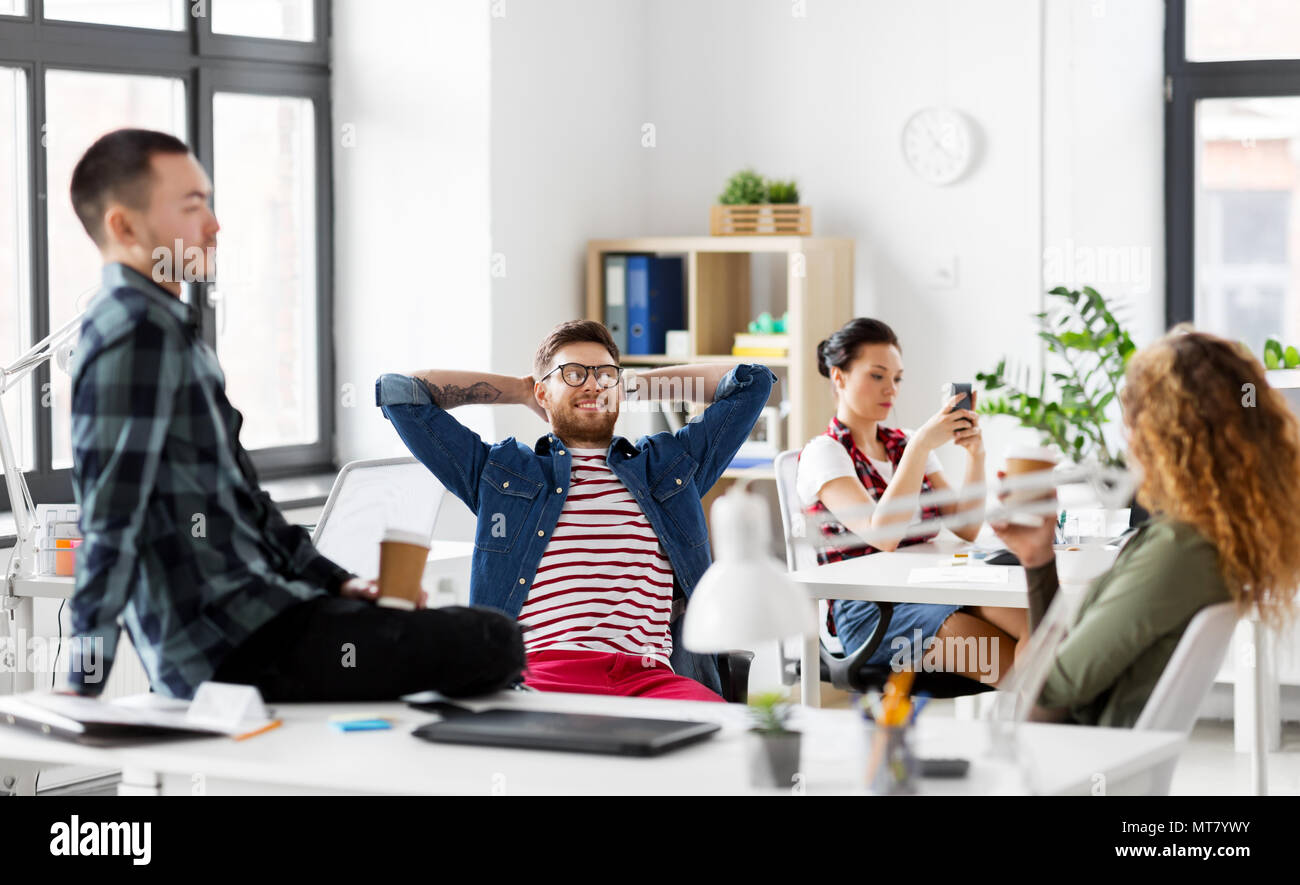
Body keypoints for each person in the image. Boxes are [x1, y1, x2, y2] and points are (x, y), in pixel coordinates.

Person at [66, 128, 523, 701]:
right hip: (229, 647)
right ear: (124, 226)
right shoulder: (133, 333)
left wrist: (340, 584)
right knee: (491, 640)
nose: (214, 223)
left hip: (265, 618)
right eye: (191, 205)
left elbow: (250, 509)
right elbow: (110, 523)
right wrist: (79, 690)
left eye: (208, 201)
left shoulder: (168, 330)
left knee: (478, 640)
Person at [376, 320, 777, 702]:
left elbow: (751, 383)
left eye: (604, 374)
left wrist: (628, 386)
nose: (591, 383)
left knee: (723, 749)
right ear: (543, 393)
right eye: (571, 373)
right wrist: (520, 389)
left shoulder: (669, 468)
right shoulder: (500, 473)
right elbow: (401, 393)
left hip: (648, 678)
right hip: (543, 673)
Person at [993, 327, 1300, 727]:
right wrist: (1037, 558)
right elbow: (1060, 675)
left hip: (1070, 767)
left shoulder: (1180, 549)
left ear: (1164, 436)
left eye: (1134, 421)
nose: (1128, 439)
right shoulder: (1218, 538)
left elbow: (1048, 688)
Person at [796, 317, 1025, 685]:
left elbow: (965, 526)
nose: (891, 389)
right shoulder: (825, 453)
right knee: (1015, 670)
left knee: (1040, 627)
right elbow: (882, 534)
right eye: (877, 375)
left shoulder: (905, 442)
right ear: (838, 377)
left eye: (897, 378)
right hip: (870, 612)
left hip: (934, 589)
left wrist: (976, 455)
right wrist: (920, 447)